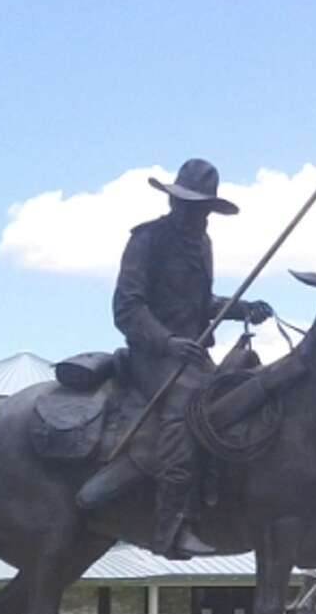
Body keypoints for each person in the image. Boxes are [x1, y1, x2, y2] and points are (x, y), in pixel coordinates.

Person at [90, 158, 271, 558]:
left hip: (191, 355)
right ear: (174, 202)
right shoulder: (147, 239)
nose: (194, 214)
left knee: (236, 393)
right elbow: (127, 307)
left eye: (201, 207)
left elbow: (200, 303)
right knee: (187, 412)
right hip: (152, 353)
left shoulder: (203, 245)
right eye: (187, 205)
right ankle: (171, 527)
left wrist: (241, 308)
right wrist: (167, 342)